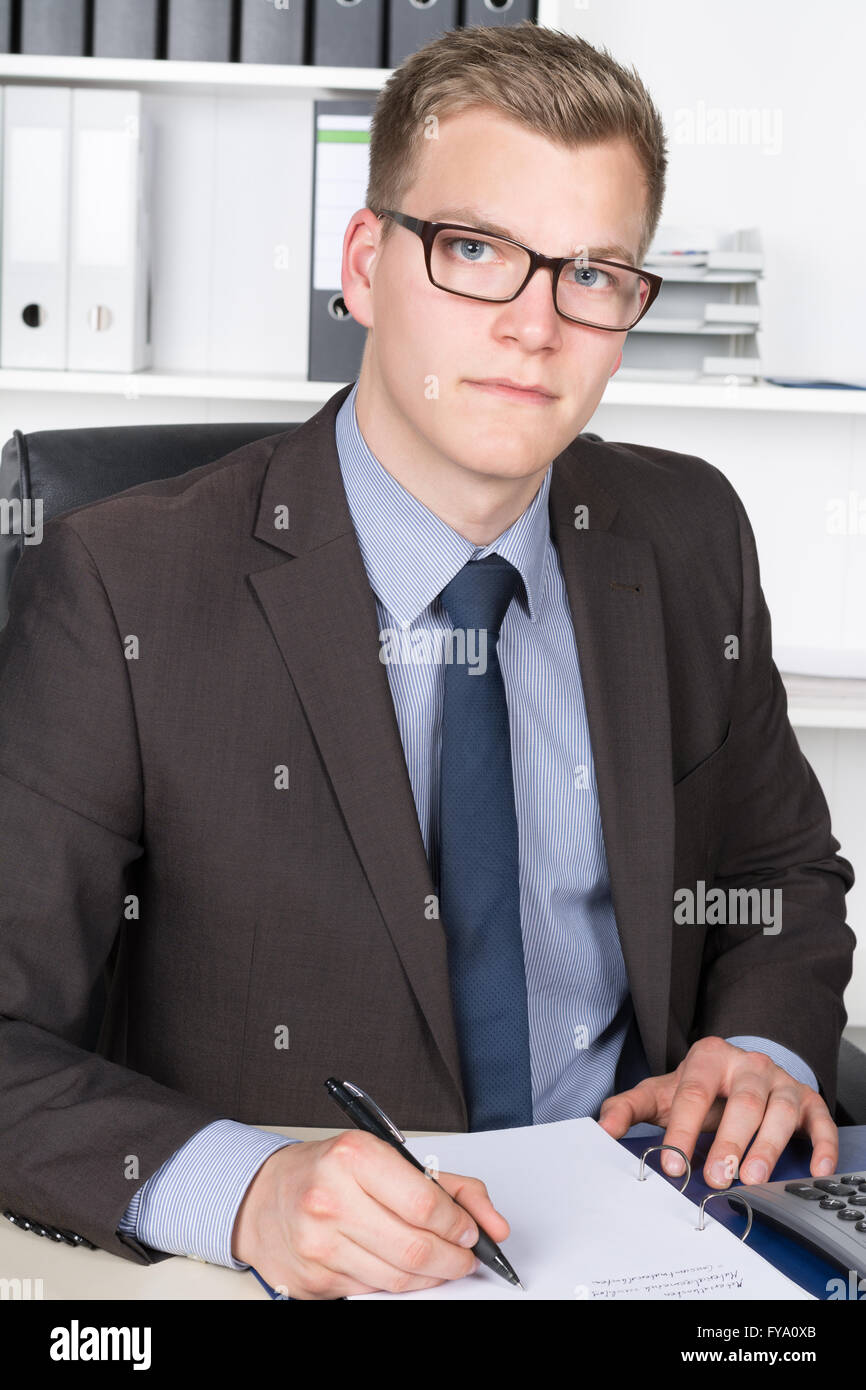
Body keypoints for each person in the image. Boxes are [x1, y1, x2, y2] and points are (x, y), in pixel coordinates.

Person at [0, 22, 854, 1301]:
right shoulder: (121, 583)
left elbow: (776, 872)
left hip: (651, 1242)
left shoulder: (683, 536)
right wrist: (242, 1189)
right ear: (363, 262)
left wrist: (752, 1041)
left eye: (593, 273)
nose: (534, 327)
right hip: (297, 1278)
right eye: (474, 252)